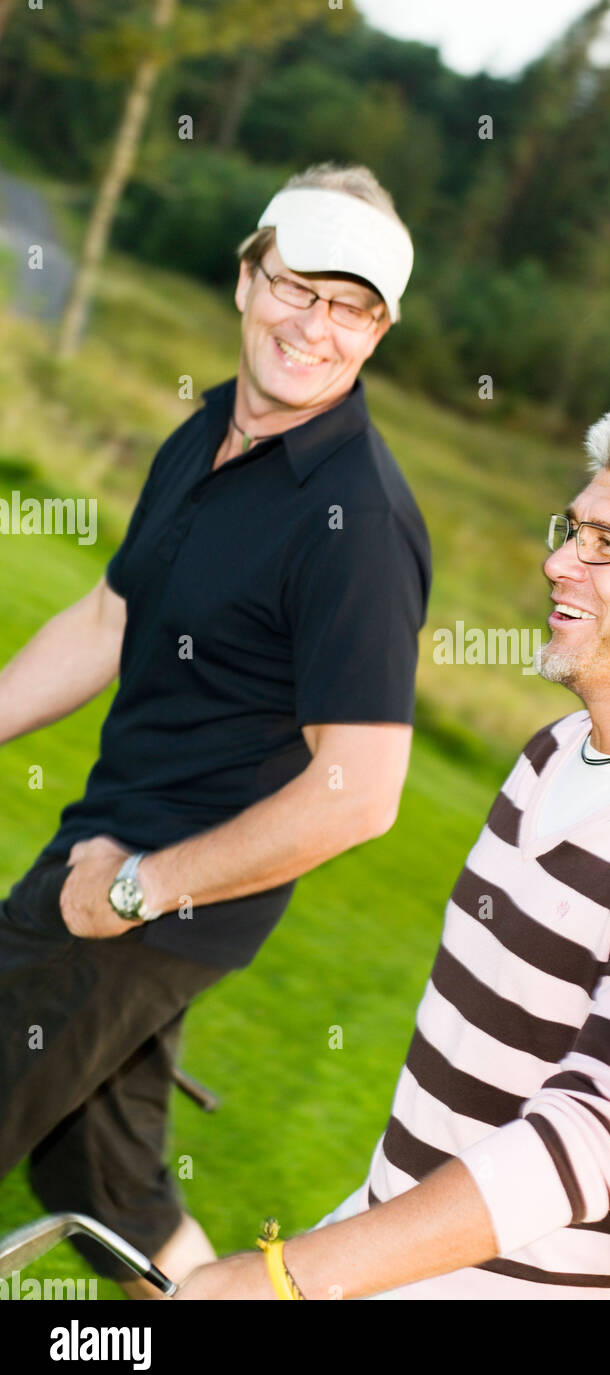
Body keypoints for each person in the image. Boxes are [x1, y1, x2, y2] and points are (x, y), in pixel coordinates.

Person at [175, 384, 610, 1300]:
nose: (560, 561)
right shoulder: (552, 752)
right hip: (401, 1246)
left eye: (608, 543)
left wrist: (294, 1276)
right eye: (572, 528)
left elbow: (594, 1135)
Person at [0, 161, 432, 1297]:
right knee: (106, 1182)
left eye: (352, 307)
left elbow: (360, 791)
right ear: (247, 276)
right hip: (107, 849)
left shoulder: (359, 525)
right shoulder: (205, 436)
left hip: (155, 900)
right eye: (298, 287)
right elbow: (112, 612)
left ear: (379, 331)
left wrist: (138, 888)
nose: (316, 325)